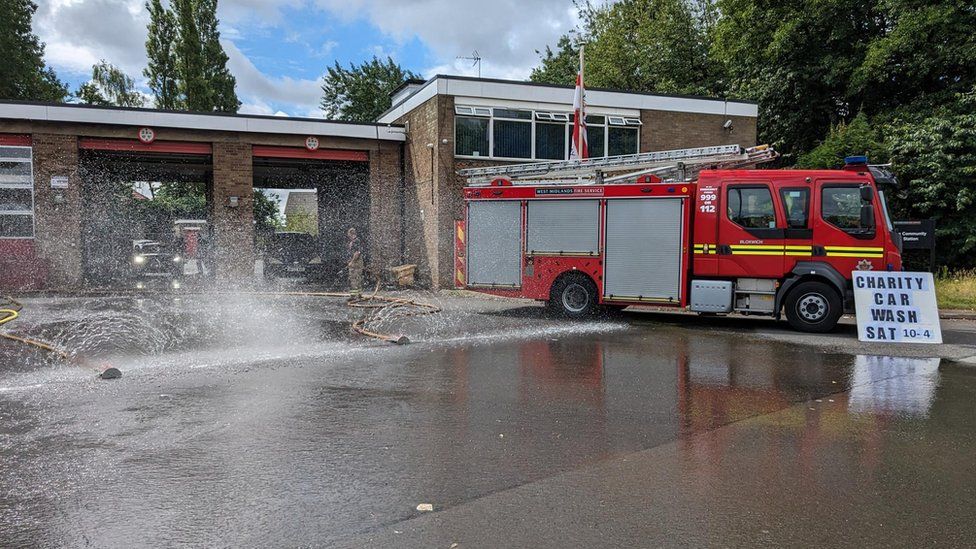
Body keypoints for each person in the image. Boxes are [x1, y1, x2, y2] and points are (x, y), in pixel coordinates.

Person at [346, 227, 364, 293]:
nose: (348, 235)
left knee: (354, 279)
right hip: (356, 263)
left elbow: (357, 253)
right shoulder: (354, 241)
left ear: (351, 233)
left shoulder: (356, 241)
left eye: (348, 234)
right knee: (357, 279)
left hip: (356, 263)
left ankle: (354, 295)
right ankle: (359, 294)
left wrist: (352, 262)